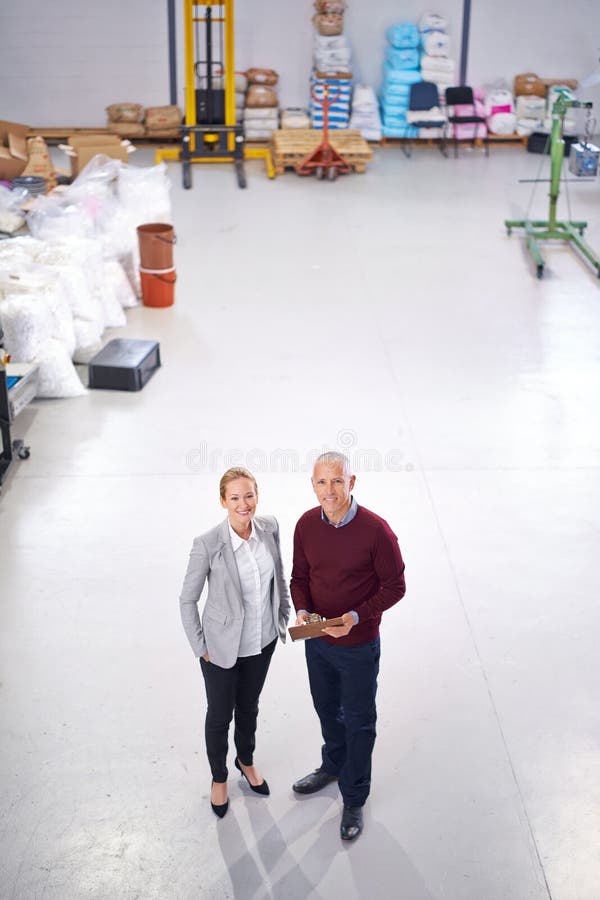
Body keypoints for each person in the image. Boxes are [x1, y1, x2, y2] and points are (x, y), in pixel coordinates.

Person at [290, 451, 406, 841]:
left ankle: (354, 796)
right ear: (313, 485)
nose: (330, 490)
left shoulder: (376, 531)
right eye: (322, 482)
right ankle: (333, 765)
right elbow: (299, 577)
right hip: (317, 641)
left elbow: (395, 587)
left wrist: (355, 617)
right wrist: (304, 611)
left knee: (358, 720)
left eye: (338, 481)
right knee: (326, 709)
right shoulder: (306, 524)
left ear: (352, 483)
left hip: (357, 645)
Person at [180, 467, 290, 818]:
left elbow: (279, 576)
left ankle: (245, 760)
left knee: (249, 707)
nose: (244, 504)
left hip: (262, 641)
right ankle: (219, 777)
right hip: (222, 649)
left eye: (249, 495)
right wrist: (201, 647)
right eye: (235, 498)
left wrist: (283, 615)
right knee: (219, 716)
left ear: (258, 495)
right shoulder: (208, 544)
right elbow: (187, 600)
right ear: (223, 501)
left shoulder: (270, 528)